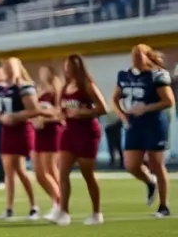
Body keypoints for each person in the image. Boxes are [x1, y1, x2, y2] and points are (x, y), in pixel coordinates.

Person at [113, 44, 173, 217]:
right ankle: (150, 182)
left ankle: (163, 206)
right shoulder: (124, 75)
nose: (136, 59)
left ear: (148, 56)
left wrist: (146, 108)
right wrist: (123, 116)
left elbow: (168, 101)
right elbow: (115, 98)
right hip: (134, 125)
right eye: (133, 55)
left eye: (139, 55)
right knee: (131, 165)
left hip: (154, 123)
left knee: (156, 163)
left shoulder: (157, 75)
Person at [57, 54, 108, 225]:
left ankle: (96, 212)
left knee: (88, 174)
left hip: (86, 132)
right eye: (66, 65)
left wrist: (82, 113)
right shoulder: (65, 87)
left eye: (70, 66)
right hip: (69, 132)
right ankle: (63, 212)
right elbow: (66, 107)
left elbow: (103, 108)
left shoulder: (87, 85)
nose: (67, 69)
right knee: (62, 172)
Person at [0, 57, 41, 221]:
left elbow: (33, 110)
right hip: (7, 130)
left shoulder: (25, 86)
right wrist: (0, 116)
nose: (9, 70)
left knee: (22, 170)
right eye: (6, 67)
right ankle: (9, 208)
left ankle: (34, 205)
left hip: (21, 129)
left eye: (12, 67)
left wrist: (15, 116)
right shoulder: (0, 88)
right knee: (8, 171)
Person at [33, 64, 65, 220]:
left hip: (52, 130)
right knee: (39, 173)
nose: (42, 73)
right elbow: (33, 110)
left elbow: (60, 113)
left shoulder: (56, 89)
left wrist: (45, 117)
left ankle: (60, 205)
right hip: (38, 132)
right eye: (41, 71)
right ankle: (55, 200)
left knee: (49, 170)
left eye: (45, 71)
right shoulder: (38, 89)